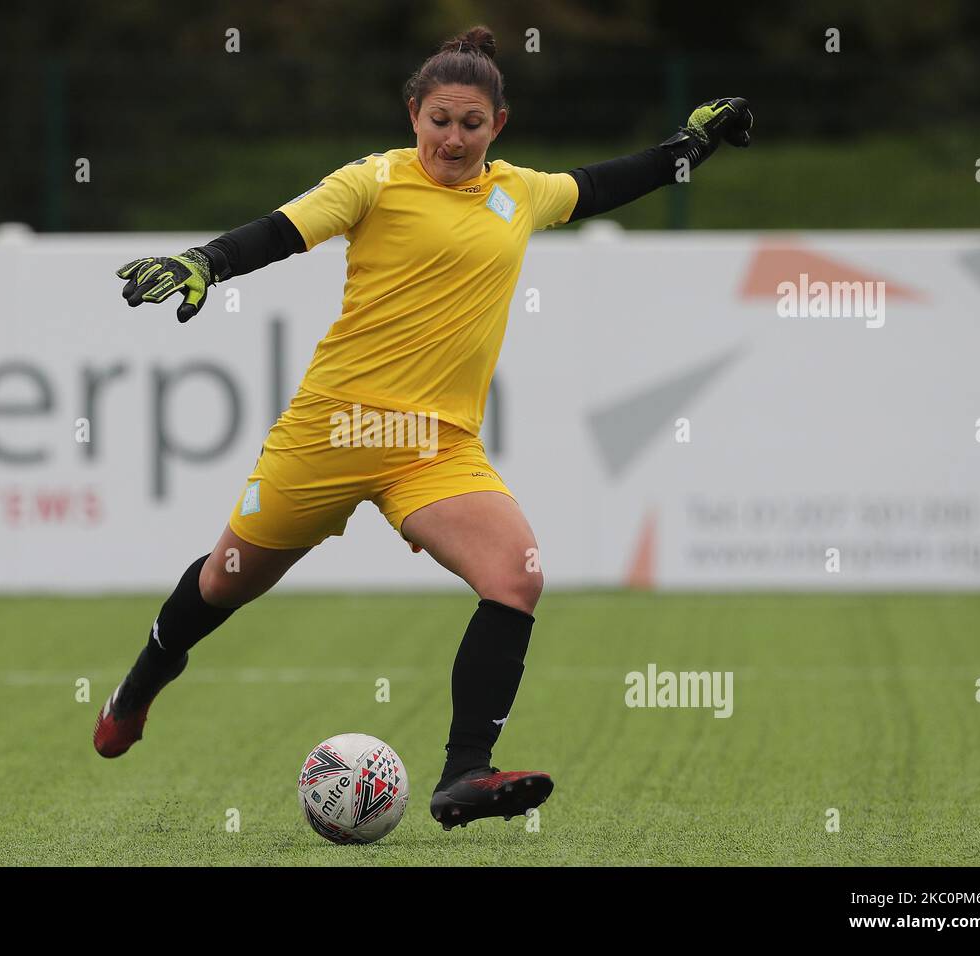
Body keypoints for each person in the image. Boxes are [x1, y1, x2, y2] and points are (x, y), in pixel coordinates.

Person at [94, 25, 753, 831]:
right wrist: (206, 261)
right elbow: (280, 230)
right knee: (224, 582)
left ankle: (464, 775)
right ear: (413, 114)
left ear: (497, 127)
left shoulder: (520, 193)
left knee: (516, 577)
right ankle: (138, 687)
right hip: (331, 435)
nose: (453, 137)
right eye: (440, 119)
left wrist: (688, 146)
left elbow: (612, 183)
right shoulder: (372, 181)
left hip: (436, 450)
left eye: (471, 124)